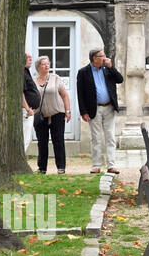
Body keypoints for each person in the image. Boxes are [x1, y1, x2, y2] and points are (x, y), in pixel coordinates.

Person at [76, 47, 122, 175]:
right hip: (93, 108)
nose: (105, 58)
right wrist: (83, 111)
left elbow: (120, 79)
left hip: (109, 107)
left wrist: (111, 67)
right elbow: (80, 94)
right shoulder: (83, 72)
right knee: (96, 138)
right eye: (102, 56)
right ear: (94, 58)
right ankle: (96, 165)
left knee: (110, 137)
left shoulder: (108, 69)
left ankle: (111, 165)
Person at [33, 56, 71, 174]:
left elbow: (64, 95)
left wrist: (68, 111)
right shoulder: (33, 80)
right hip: (40, 115)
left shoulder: (55, 78)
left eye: (48, 64)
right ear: (38, 67)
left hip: (57, 114)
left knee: (58, 140)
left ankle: (61, 167)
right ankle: (42, 168)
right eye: (43, 64)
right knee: (42, 142)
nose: (46, 66)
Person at [22, 53, 40, 150]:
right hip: (26, 111)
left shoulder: (26, 72)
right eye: (28, 58)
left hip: (29, 110)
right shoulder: (22, 73)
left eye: (30, 57)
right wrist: (27, 108)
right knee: (25, 137)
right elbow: (21, 93)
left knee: (27, 137)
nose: (30, 59)